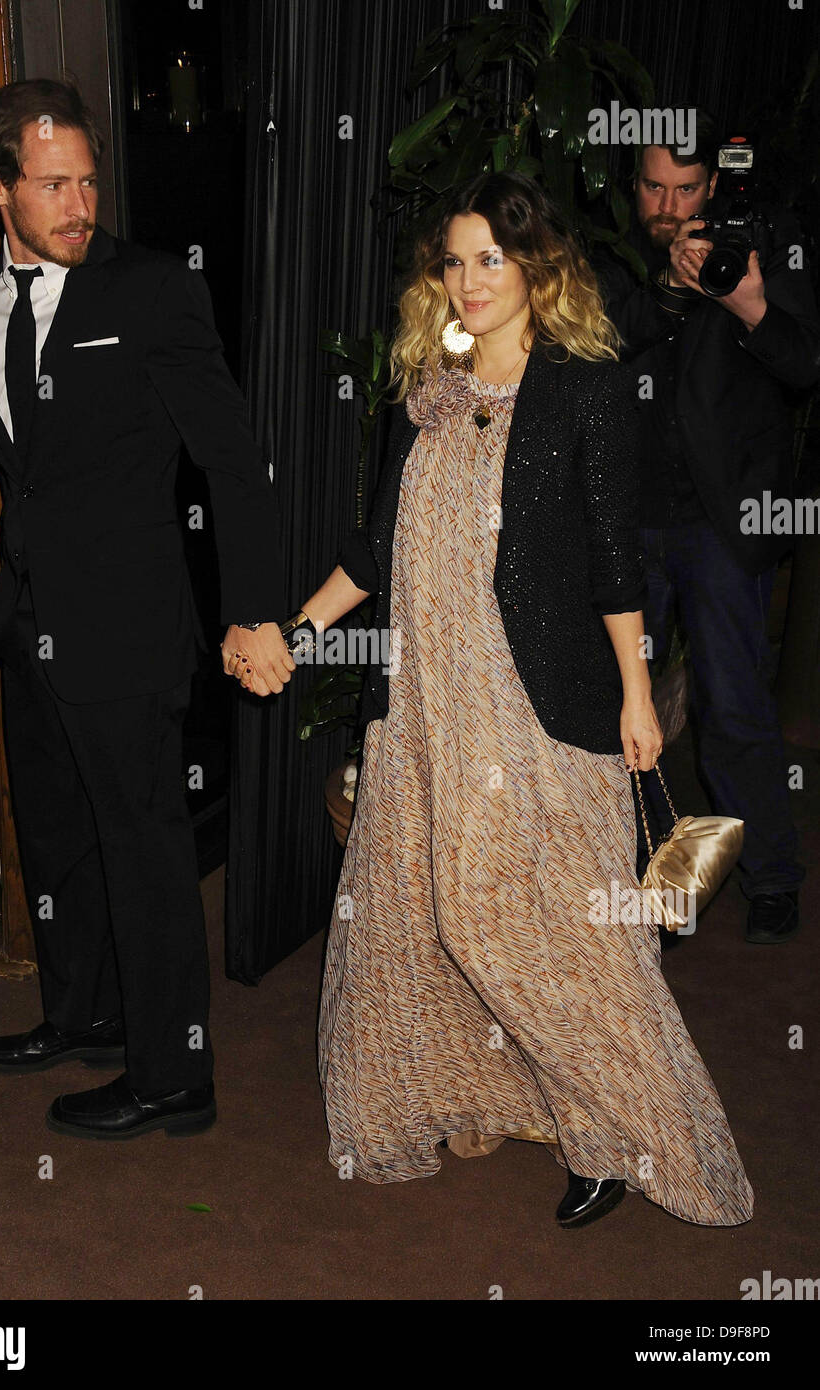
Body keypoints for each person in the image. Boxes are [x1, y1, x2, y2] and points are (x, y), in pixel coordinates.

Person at [289, 172, 753, 1228]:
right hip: (425, 708)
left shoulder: (585, 387)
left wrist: (639, 697)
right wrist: (300, 628)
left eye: (490, 259)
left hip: (531, 707)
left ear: (536, 267)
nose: (469, 282)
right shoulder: (425, 392)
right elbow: (372, 547)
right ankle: (479, 1089)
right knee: (421, 920)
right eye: (452, 262)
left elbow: (611, 564)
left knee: (525, 927)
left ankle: (628, 1136)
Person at [0, 78, 294, 1139]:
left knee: (144, 847)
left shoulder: (149, 290)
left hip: (131, 624)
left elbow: (233, 465)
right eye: (51, 184)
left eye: (87, 181)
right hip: (32, 621)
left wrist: (252, 613)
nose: (78, 203)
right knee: (57, 836)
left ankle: (173, 1075)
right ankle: (86, 1012)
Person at [597, 115, 820, 944]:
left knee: (734, 711)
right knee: (618, 711)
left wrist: (749, 301)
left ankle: (770, 876)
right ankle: (639, 882)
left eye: (687, 189)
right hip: (627, 519)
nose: (669, 204)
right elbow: (599, 339)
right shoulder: (614, 254)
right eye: (654, 186)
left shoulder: (762, 241)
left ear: (715, 186)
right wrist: (669, 289)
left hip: (724, 525)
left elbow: (804, 363)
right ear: (634, 184)